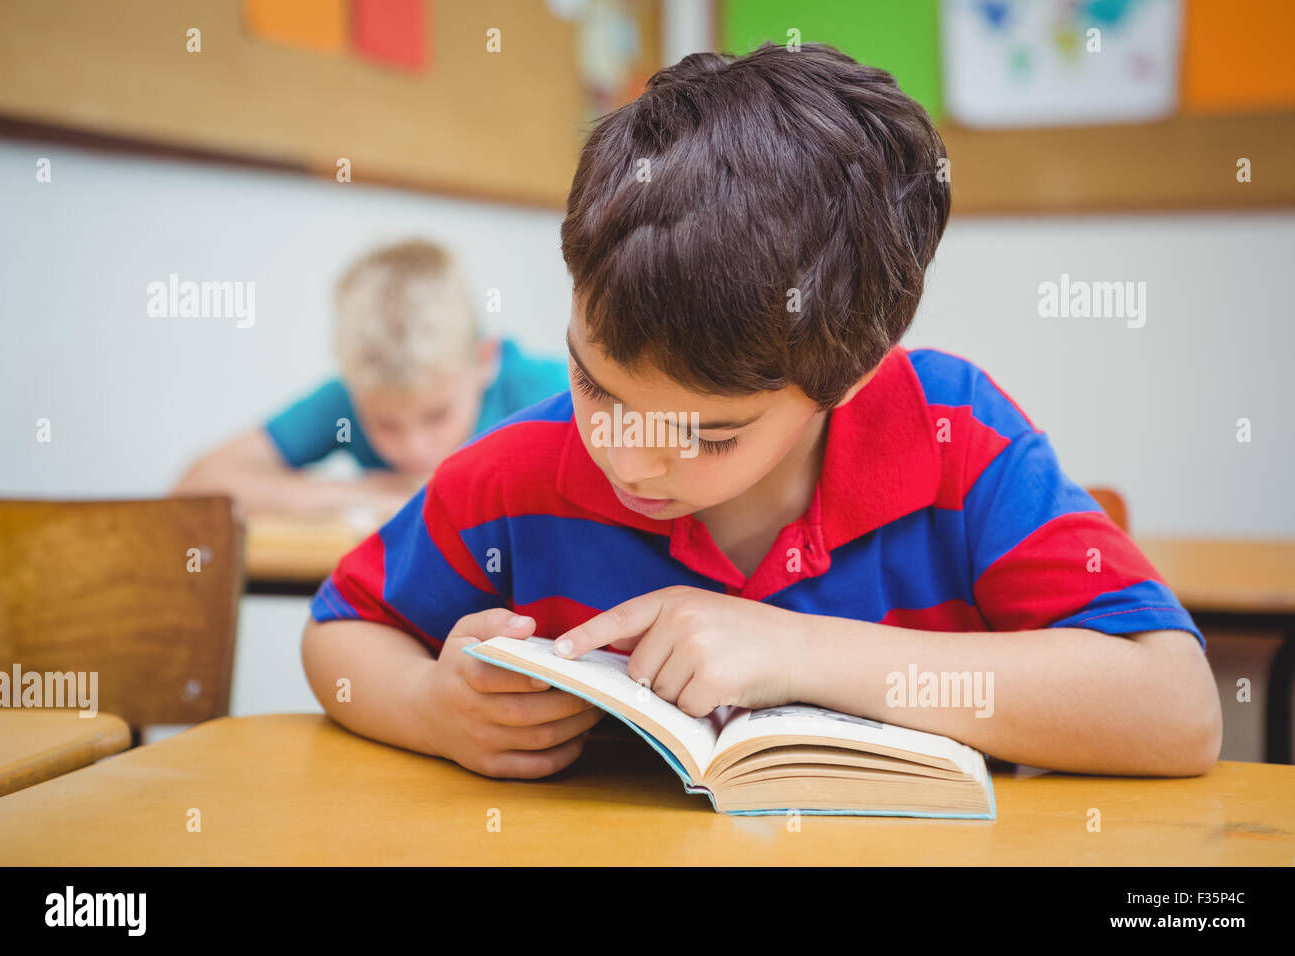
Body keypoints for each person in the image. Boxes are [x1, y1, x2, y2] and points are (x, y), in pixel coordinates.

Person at [301, 45, 1221, 782]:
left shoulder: (955, 436)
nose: (627, 459)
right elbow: (340, 632)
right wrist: (431, 708)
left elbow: (1177, 714)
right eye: (595, 384)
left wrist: (797, 650)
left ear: (853, 373)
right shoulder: (524, 469)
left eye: (706, 434)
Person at [172, 240, 568, 517]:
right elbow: (199, 486)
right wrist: (360, 494)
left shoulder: (549, 393)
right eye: (385, 424)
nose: (415, 448)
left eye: (437, 416)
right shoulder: (353, 396)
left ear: (485, 360)